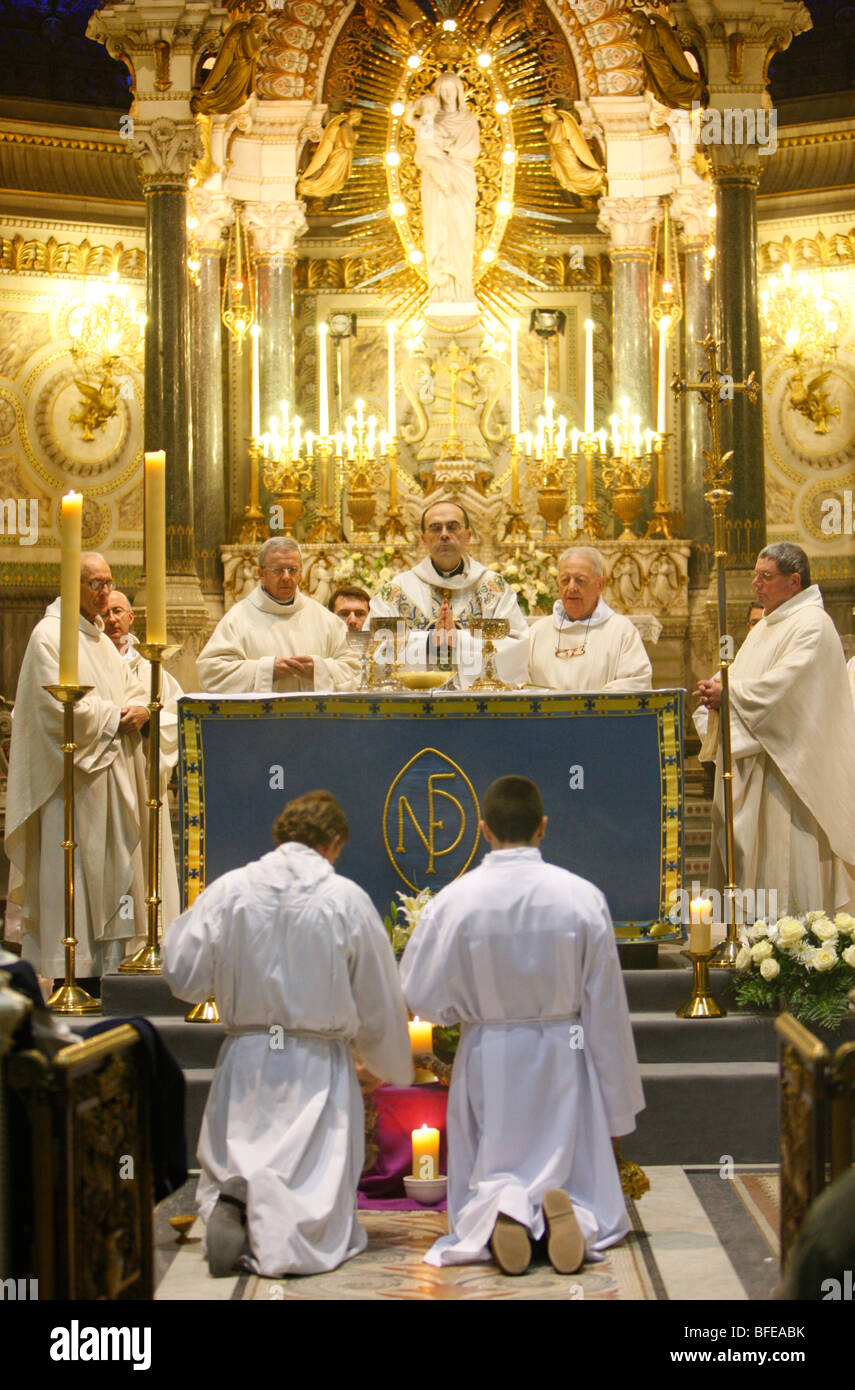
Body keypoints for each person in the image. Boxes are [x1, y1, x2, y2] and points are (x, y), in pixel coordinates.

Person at [161, 790, 412, 1278]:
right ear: (335, 843)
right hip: (316, 1061)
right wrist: (380, 1060)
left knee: (244, 1149)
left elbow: (183, 972)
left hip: (249, 1054)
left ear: (281, 833)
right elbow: (379, 994)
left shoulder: (230, 889)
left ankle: (237, 1203)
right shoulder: (344, 899)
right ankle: (276, 1228)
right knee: (311, 1191)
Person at [399, 775, 644, 1274]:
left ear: (484, 830)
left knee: (496, 1161)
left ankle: (504, 1211)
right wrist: (618, 1107)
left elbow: (418, 992)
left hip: (490, 1048)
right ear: (543, 828)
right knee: (571, 1168)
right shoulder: (581, 897)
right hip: (565, 1047)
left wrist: (458, 1012)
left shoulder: (456, 900)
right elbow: (606, 1010)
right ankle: (568, 1213)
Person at [4, 553, 150, 983]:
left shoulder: (102, 640)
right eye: (94, 584)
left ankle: (102, 972)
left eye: (108, 583)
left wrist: (140, 708)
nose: (104, 592)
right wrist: (115, 718)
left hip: (109, 773)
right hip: (71, 782)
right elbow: (54, 709)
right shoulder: (49, 636)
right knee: (75, 874)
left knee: (109, 877)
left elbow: (131, 688)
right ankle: (72, 974)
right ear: (71, 585)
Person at [696, 543, 855, 916]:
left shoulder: (812, 625)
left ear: (793, 581)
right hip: (762, 764)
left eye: (765, 577)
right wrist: (718, 690)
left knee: (788, 860)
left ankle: (794, 951)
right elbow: (744, 678)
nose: (756, 584)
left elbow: (787, 691)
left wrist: (729, 693)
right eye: (755, 575)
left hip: (791, 778)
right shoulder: (769, 623)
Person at [367, 500, 528, 688]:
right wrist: (427, 642)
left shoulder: (492, 587)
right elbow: (372, 648)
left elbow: (518, 646)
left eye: (452, 527)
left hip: (478, 706)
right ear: (424, 539)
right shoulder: (397, 590)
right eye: (435, 528)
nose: (444, 534)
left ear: (468, 536)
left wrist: (458, 640)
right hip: (415, 706)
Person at [103, 590, 182, 931]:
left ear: (131, 617)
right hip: (102, 779)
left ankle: (151, 936)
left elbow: (177, 713)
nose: (112, 619)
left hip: (144, 776)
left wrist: (149, 716)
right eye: (105, 613)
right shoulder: (88, 657)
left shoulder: (151, 665)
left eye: (118, 611)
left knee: (148, 860)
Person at [197, 537, 359, 694]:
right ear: (261, 574)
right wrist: (267, 671)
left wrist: (318, 669)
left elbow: (355, 669)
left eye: (292, 570)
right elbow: (210, 673)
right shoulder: (237, 619)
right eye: (278, 570)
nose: (286, 577)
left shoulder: (324, 619)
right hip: (258, 719)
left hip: (313, 718)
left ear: (301, 573)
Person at [528, 546, 652, 691]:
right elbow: (521, 684)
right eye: (565, 580)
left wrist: (587, 708)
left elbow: (635, 682)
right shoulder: (538, 631)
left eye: (580, 580)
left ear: (600, 585)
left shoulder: (621, 631)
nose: (571, 587)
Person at [417, 70, 479, 304]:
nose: (447, 95)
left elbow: (472, 150)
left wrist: (447, 149)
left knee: (461, 231)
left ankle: (462, 285)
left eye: (451, 89)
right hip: (436, 182)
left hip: (461, 179)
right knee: (438, 230)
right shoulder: (429, 121)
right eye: (443, 91)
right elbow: (421, 150)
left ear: (459, 92)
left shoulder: (469, 120)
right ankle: (440, 286)